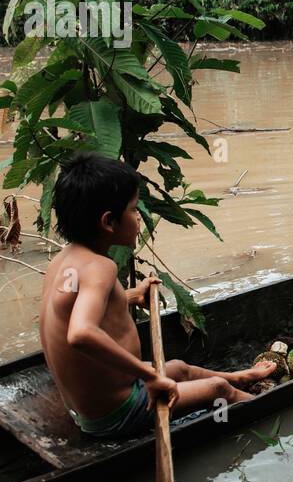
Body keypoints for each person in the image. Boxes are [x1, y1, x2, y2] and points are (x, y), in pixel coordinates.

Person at [39, 154, 275, 439]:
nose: (139, 216)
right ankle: (273, 410)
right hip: (118, 412)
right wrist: (151, 377)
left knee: (178, 368)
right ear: (108, 222)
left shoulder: (64, 262)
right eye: (133, 209)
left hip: (88, 409)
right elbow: (79, 333)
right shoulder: (100, 267)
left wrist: (127, 296)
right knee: (217, 391)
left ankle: (240, 377)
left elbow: (72, 310)